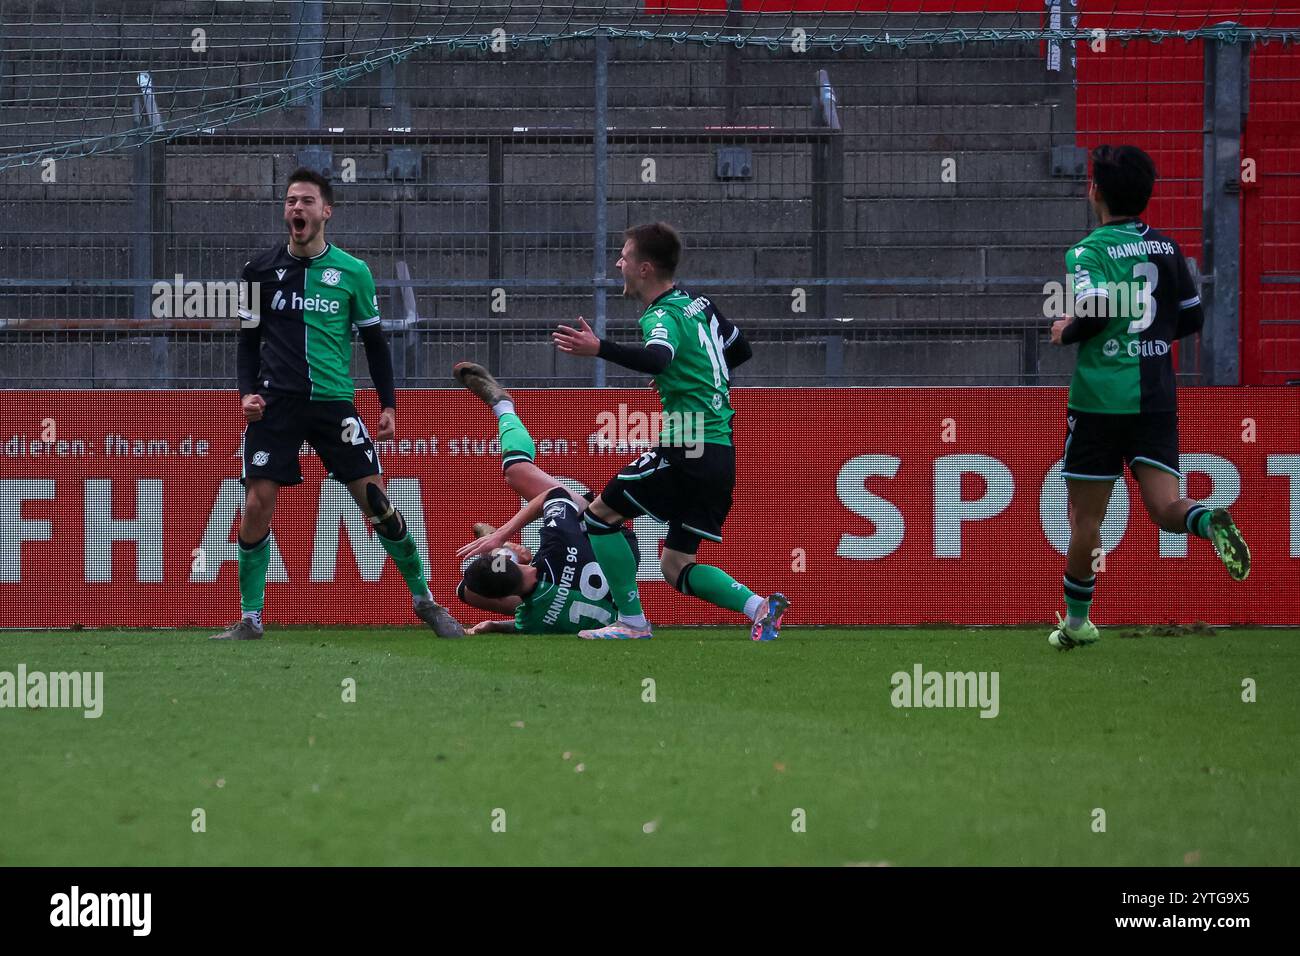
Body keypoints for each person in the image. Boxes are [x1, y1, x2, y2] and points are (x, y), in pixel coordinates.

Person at [210, 168, 463, 640]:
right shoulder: (256, 271)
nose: (297, 209)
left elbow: (374, 342)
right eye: (290, 201)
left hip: (334, 405)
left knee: (378, 503)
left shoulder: (354, 271)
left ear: (326, 210)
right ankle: (250, 617)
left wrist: (387, 404)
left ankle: (426, 600)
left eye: (306, 201)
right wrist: (245, 392)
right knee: (255, 504)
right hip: (276, 404)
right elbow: (246, 342)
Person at [1047, 145, 1249, 650]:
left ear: (1095, 191)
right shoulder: (1168, 249)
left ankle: (1077, 623)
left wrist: (1064, 331)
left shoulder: (1087, 251)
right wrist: (1149, 338)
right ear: (1146, 196)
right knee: (1165, 508)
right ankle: (1207, 521)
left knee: (1085, 519)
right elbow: (1194, 318)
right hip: (1156, 397)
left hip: (1098, 401)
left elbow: (1092, 315)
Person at [552, 222, 788, 641]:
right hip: (717, 450)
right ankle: (760, 608)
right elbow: (739, 349)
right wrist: (686, 373)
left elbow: (659, 357)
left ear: (644, 268)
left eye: (623, 256)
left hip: (688, 444)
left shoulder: (660, 314)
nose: (618, 263)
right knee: (675, 565)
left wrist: (600, 348)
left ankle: (632, 622)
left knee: (598, 518)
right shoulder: (699, 303)